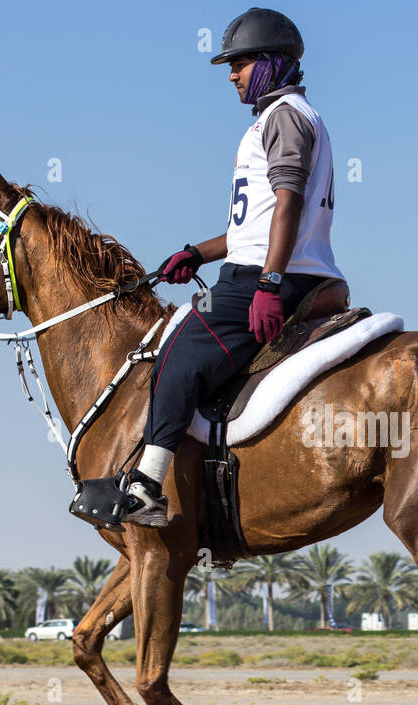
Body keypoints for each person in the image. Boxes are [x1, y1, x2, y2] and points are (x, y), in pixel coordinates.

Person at [122, 7, 343, 527]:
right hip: (266, 267)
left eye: (239, 63)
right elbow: (257, 223)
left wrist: (268, 284)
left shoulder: (285, 117)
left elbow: (287, 203)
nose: (231, 74)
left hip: (271, 277)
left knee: (176, 356)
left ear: (270, 62)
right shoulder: (276, 119)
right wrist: (197, 253)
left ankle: (148, 487)